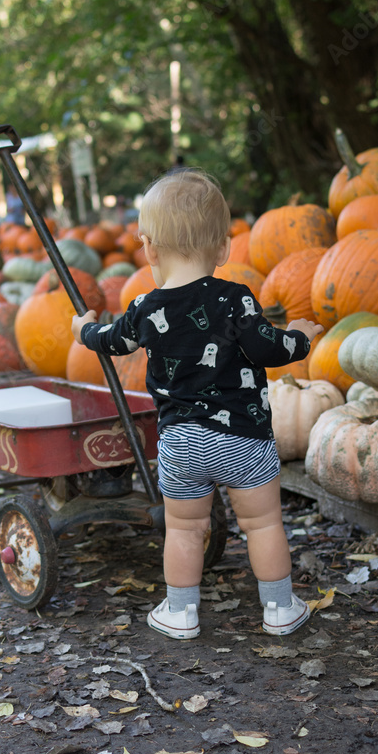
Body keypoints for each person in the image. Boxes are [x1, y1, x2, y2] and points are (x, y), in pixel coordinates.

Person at [72, 171, 323, 640]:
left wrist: (81, 328)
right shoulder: (235, 299)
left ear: (149, 249)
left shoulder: (145, 307)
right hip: (244, 440)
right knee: (263, 523)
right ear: (225, 250)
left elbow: (109, 341)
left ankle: (181, 612)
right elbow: (270, 349)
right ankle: (280, 608)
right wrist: (301, 340)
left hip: (182, 443)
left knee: (184, 530)